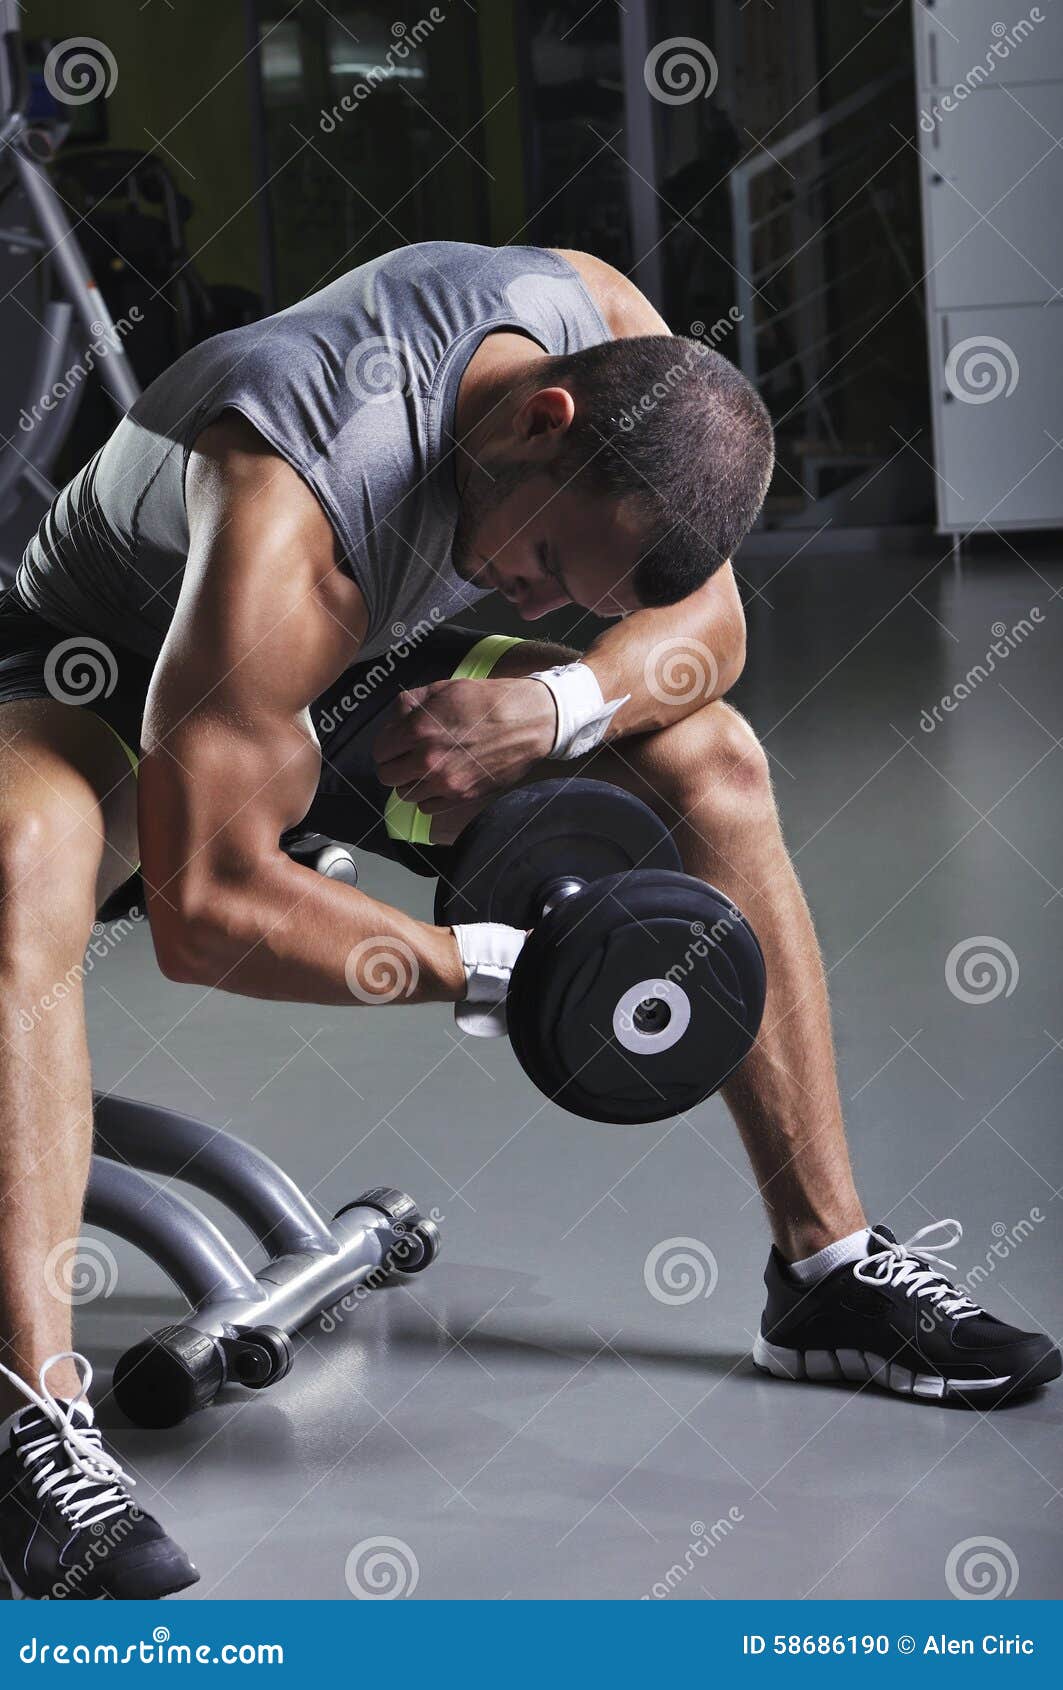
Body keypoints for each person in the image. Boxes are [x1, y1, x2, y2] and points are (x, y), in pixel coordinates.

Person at [0, 242, 1056, 1599]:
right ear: (536, 420)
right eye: (552, 560)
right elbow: (202, 906)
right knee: (25, 850)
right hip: (99, 674)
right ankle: (37, 1420)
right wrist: (502, 971)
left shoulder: (598, 327)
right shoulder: (288, 495)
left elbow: (708, 625)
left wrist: (551, 705)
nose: (546, 602)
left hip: (355, 680)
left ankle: (829, 1271)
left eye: (582, 592)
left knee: (712, 765)